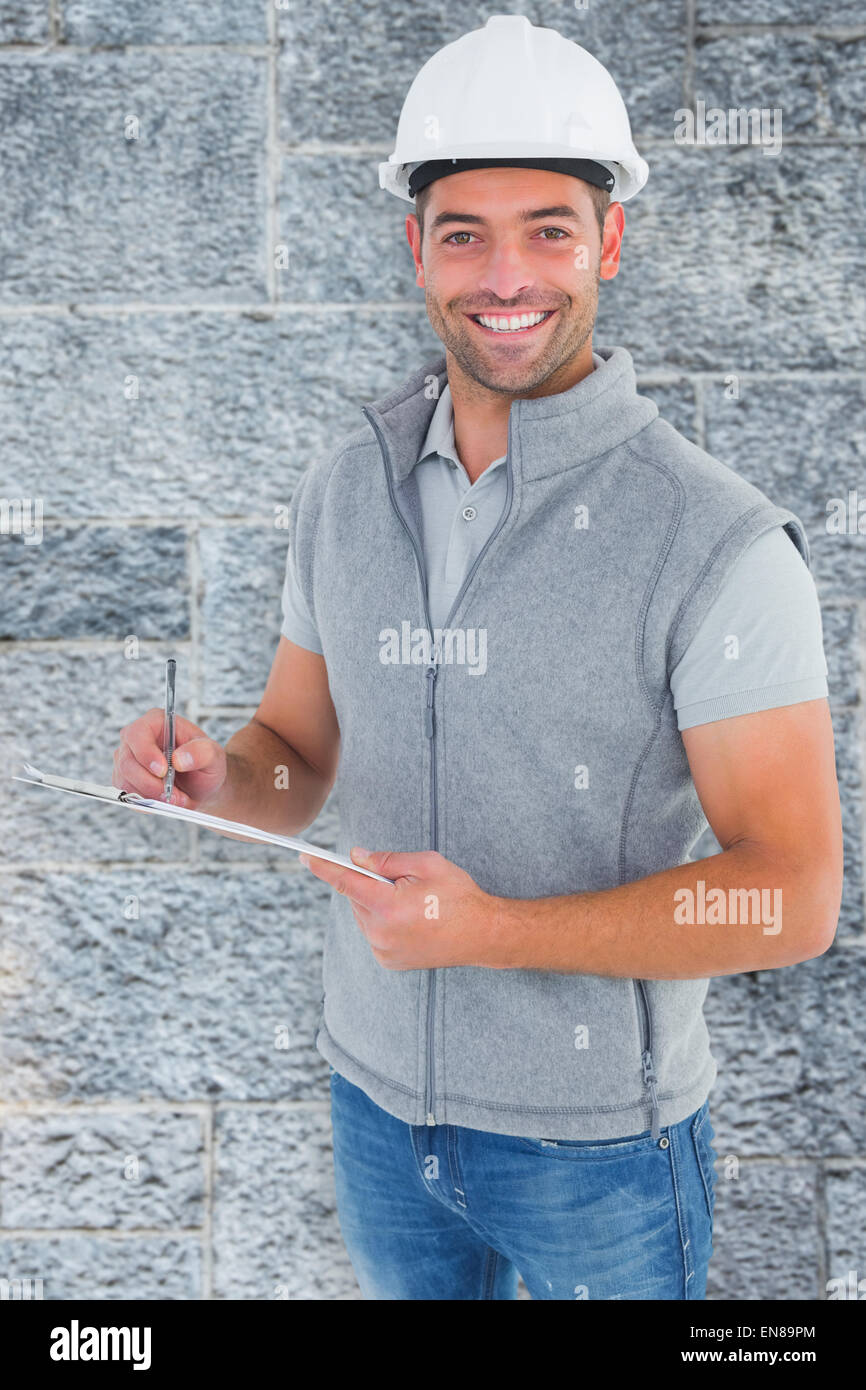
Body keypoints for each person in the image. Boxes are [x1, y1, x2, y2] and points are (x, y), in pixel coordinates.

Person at [113, 15, 843, 1300]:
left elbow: (784, 895)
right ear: (415, 251)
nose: (505, 276)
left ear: (608, 241)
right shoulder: (349, 485)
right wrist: (215, 780)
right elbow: (294, 755)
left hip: (600, 1153)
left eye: (547, 230)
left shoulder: (712, 540)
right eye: (464, 234)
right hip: (379, 1113)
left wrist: (496, 930)